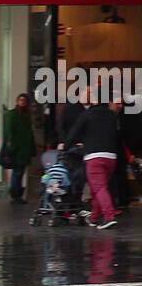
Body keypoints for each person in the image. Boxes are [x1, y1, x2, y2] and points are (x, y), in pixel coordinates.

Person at [61, 92, 123, 230]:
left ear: (95, 101)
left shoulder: (87, 114)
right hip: (111, 157)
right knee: (99, 189)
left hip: (94, 156)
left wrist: (65, 146)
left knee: (100, 188)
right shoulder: (112, 116)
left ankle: (109, 216)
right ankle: (94, 218)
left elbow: (74, 132)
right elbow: (117, 135)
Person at [2, 93, 37, 204]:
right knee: (17, 173)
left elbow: (29, 133)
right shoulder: (12, 114)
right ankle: (15, 195)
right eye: (20, 100)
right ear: (17, 101)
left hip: (24, 149)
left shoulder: (27, 115)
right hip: (16, 149)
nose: (22, 102)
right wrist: (11, 146)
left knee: (20, 172)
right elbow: (9, 132)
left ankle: (17, 194)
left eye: (24, 100)